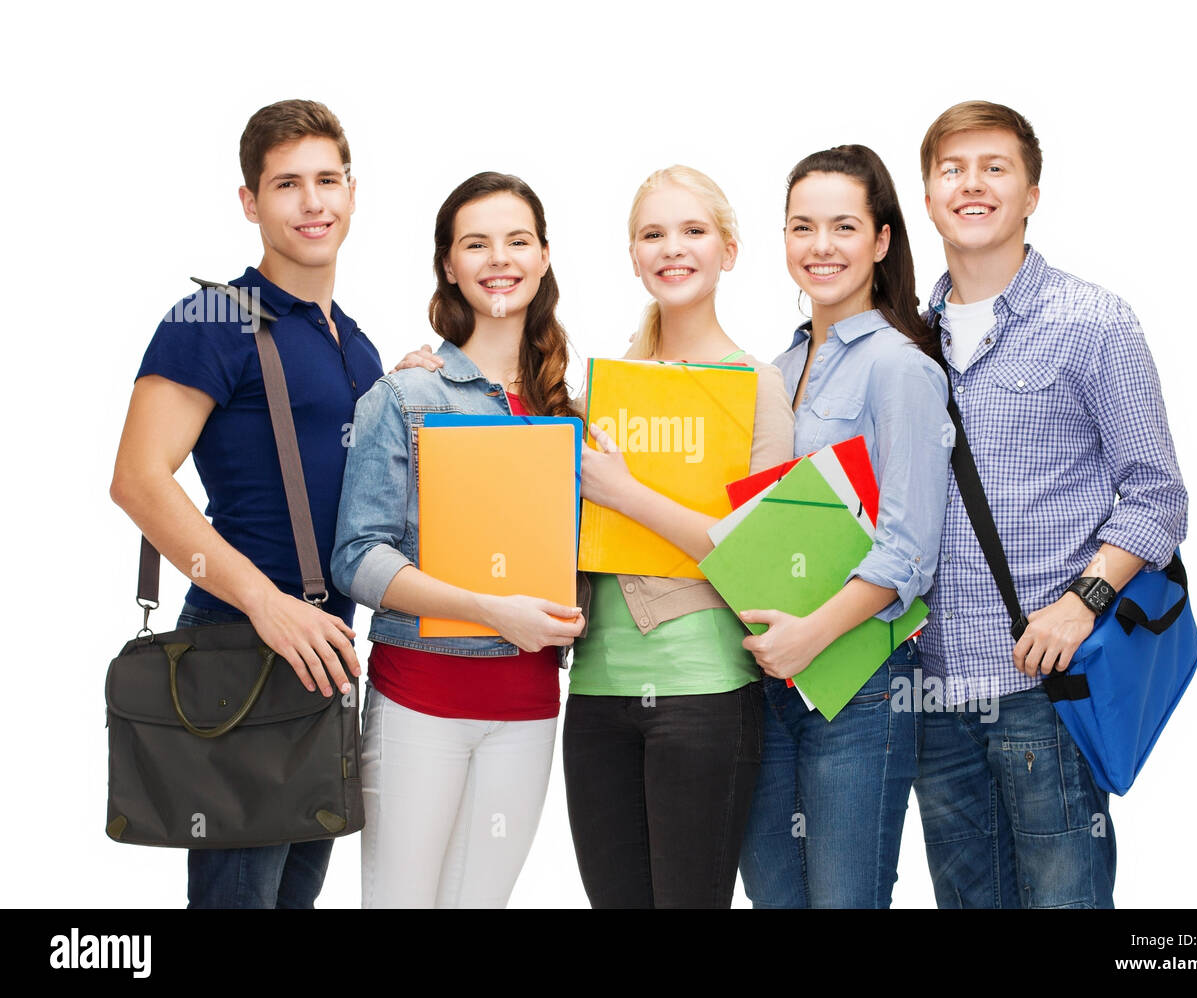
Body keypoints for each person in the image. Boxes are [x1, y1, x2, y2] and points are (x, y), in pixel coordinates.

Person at [911, 101, 1188, 909]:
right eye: (951, 170)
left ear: (1031, 192)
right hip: (933, 692)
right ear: (927, 195)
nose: (972, 185)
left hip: (1045, 692)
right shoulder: (906, 338)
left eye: (995, 168)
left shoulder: (1093, 323)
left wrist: (1083, 600)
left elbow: (1158, 497)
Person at [110, 99, 382, 908]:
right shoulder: (212, 315)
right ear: (250, 202)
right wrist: (268, 606)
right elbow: (138, 479)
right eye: (287, 184)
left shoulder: (357, 343)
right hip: (242, 646)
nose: (312, 202)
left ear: (352, 192)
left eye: (327, 180)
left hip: (325, 654)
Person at [330, 172, 585, 909]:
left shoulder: (574, 407)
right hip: (422, 702)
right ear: (449, 263)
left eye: (517, 241)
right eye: (476, 243)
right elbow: (360, 557)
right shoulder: (406, 396)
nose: (498, 259)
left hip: (530, 706)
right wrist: (489, 609)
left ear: (543, 258)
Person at [565, 165, 794, 909]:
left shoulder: (758, 386)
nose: (673, 248)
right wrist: (433, 365)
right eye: (653, 234)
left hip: (704, 691)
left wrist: (624, 492)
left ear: (728, 249)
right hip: (596, 690)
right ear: (633, 256)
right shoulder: (599, 391)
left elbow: (752, 554)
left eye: (693, 231)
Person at [735, 145, 951, 908]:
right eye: (802, 227)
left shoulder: (901, 369)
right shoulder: (775, 367)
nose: (820, 247)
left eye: (843, 227)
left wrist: (809, 636)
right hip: (766, 680)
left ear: (882, 240)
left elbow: (908, 550)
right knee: (775, 897)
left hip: (859, 683)